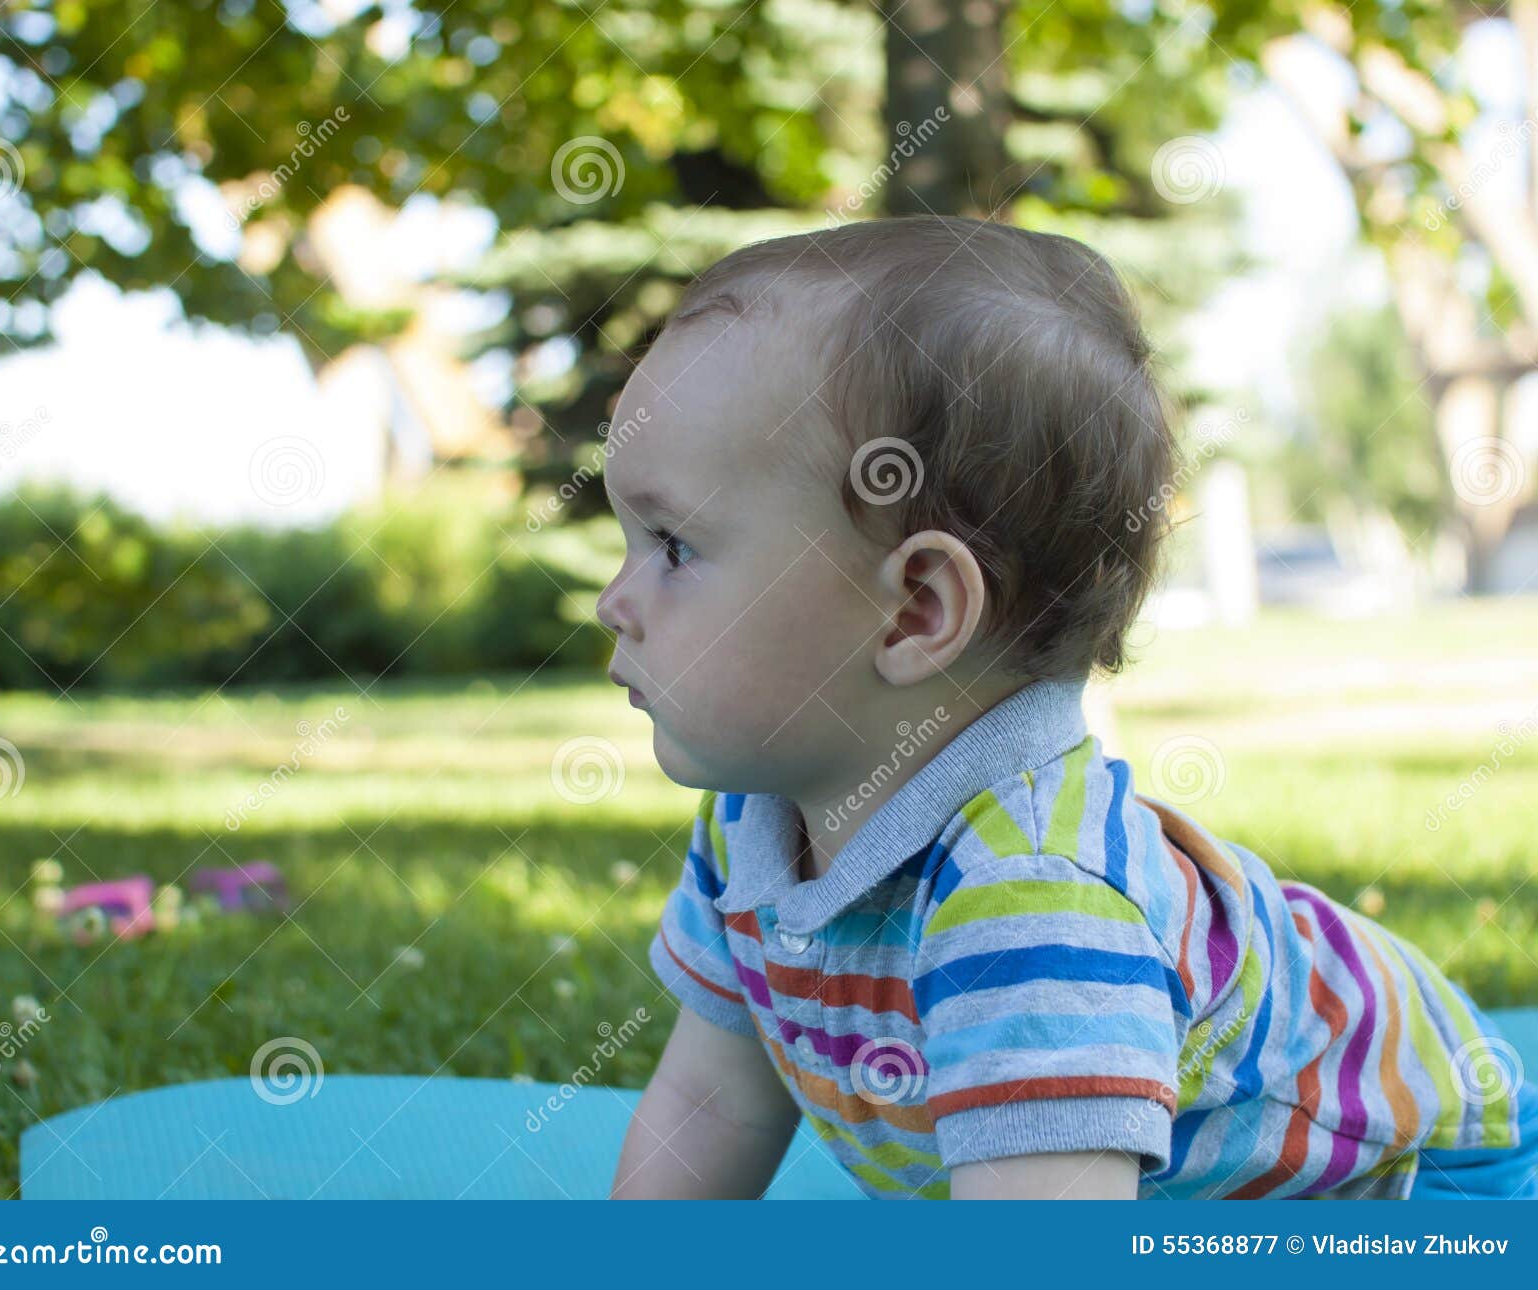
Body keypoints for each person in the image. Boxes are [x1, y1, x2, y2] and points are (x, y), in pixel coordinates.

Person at [594, 214, 1533, 1200]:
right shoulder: (753, 824)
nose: (615, 600)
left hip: (1419, 1188)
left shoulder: (1035, 898)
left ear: (915, 611)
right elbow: (713, 1104)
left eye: (674, 547)